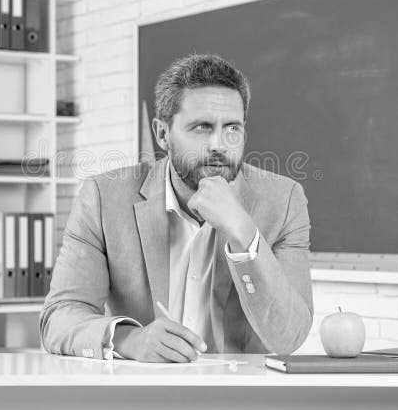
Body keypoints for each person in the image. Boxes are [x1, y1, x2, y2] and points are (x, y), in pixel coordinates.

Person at [40, 53, 313, 362]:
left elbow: (289, 336)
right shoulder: (104, 198)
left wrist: (243, 233)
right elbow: (58, 317)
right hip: (140, 397)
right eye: (202, 127)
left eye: (232, 128)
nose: (219, 145)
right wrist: (130, 340)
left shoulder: (283, 200)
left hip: (237, 401)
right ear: (163, 134)